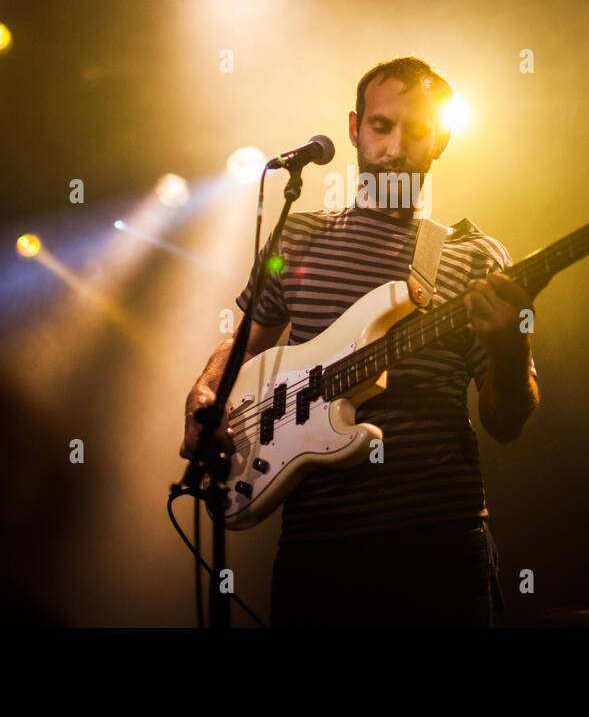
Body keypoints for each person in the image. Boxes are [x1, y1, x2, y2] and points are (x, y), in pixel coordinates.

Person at [180, 57, 540, 626]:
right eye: (380, 126)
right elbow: (244, 346)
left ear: (441, 139)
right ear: (353, 129)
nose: (396, 148)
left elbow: (506, 422)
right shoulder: (298, 234)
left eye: (417, 131)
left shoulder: (475, 260)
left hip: (438, 543)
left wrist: (510, 349)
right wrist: (204, 395)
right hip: (316, 548)